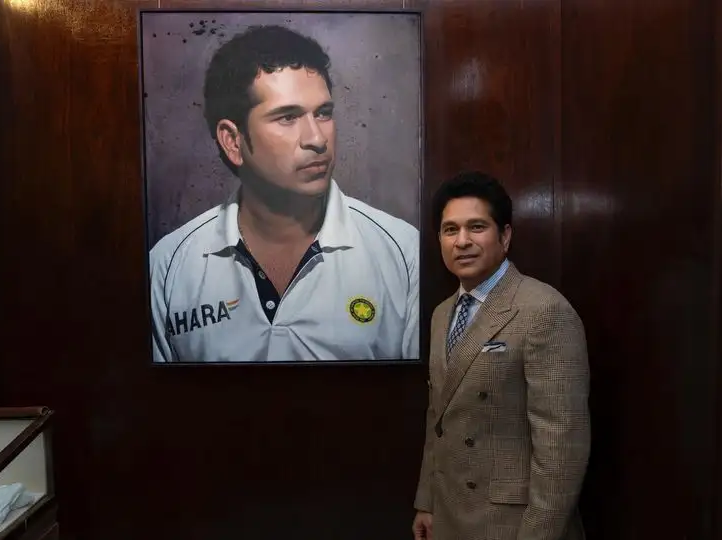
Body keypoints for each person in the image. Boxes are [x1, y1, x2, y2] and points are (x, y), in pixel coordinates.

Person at [148, 25, 419, 363]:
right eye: (288, 117)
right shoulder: (168, 266)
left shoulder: (404, 254)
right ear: (233, 141)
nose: (317, 139)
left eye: (323, 113)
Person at [412, 172, 590, 540]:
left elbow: (561, 444)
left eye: (477, 227)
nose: (462, 241)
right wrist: (427, 502)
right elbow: (437, 418)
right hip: (449, 514)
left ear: (504, 236)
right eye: (450, 230)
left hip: (513, 524)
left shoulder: (543, 310)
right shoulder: (443, 312)